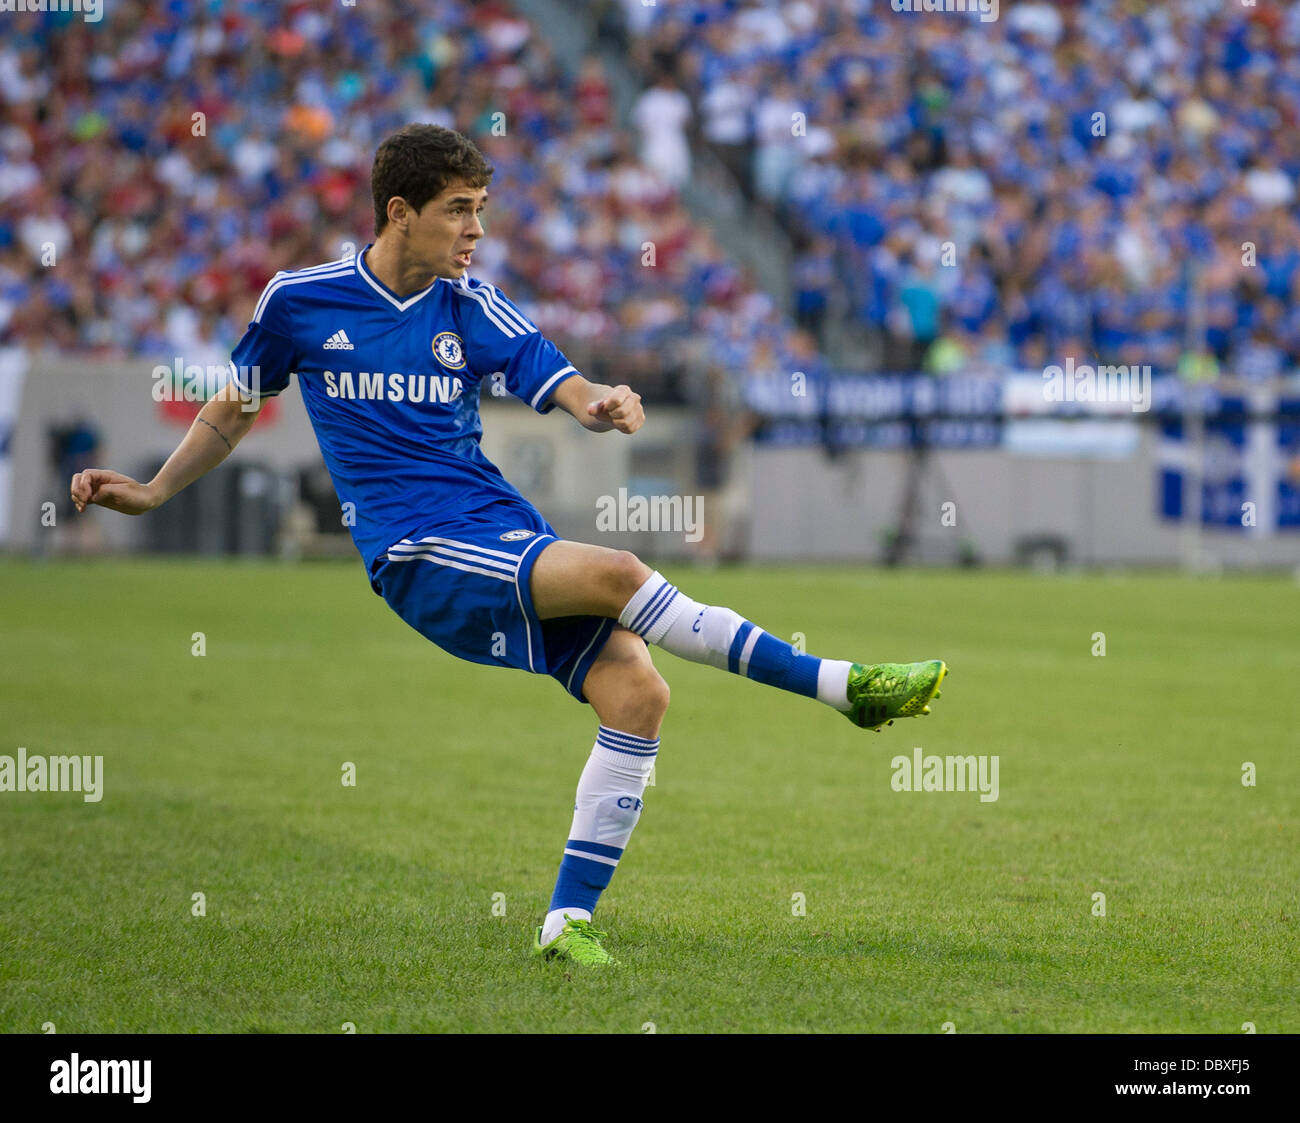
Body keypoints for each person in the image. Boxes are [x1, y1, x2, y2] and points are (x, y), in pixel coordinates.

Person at [69, 124, 947, 967]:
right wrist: (150, 492)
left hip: (497, 526)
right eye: (459, 208)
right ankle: (844, 688)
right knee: (621, 572)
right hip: (415, 550)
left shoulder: (469, 304)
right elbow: (232, 409)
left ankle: (566, 922)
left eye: (482, 207)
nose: (477, 229)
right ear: (399, 210)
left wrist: (597, 401)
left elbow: (547, 370)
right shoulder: (300, 302)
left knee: (637, 690)